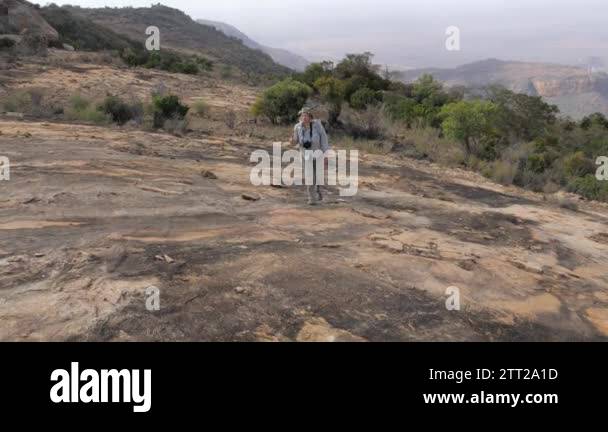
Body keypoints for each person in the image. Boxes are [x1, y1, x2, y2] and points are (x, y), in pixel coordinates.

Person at [291, 108, 330, 205]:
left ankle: (318, 190)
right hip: (306, 155)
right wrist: (291, 141)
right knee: (310, 177)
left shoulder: (317, 125)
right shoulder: (297, 127)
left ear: (310, 117)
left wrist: (326, 155)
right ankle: (312, 199)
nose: (304, 117)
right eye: (302, 116)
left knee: (318, 176)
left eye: (306, 115)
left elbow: (324, 140)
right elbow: (295, 141)